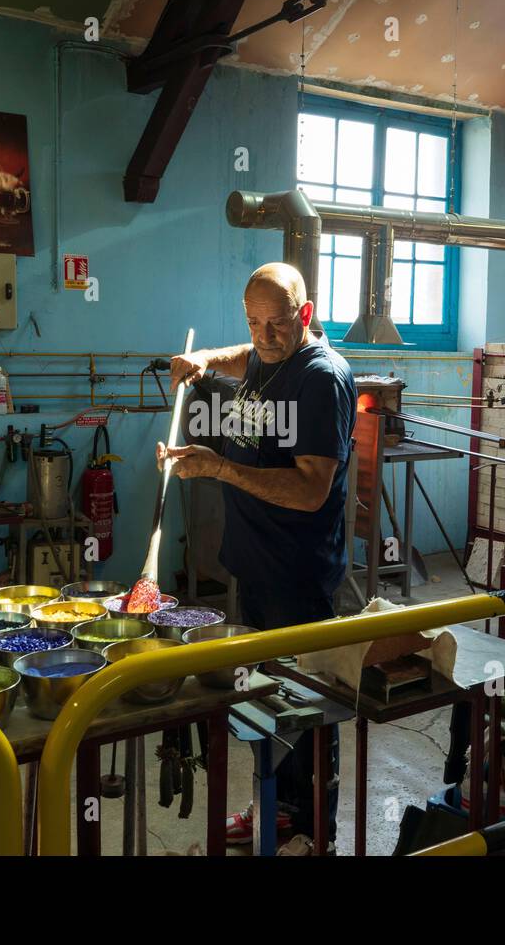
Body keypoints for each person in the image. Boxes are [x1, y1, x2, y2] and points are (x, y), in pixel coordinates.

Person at [159, 261, 356, 848]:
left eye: (277, 324)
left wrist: (219, 466)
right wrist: (204, 360)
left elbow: (311, 488)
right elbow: (248, 356)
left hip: (296, 573)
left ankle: (312, 827)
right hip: (256, 566)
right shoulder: (270, 356)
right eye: (254, 321)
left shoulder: (318, 379)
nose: (264, 335)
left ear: (307, 315)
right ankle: (277, 808)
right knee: (265, 698)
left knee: (305, 708)